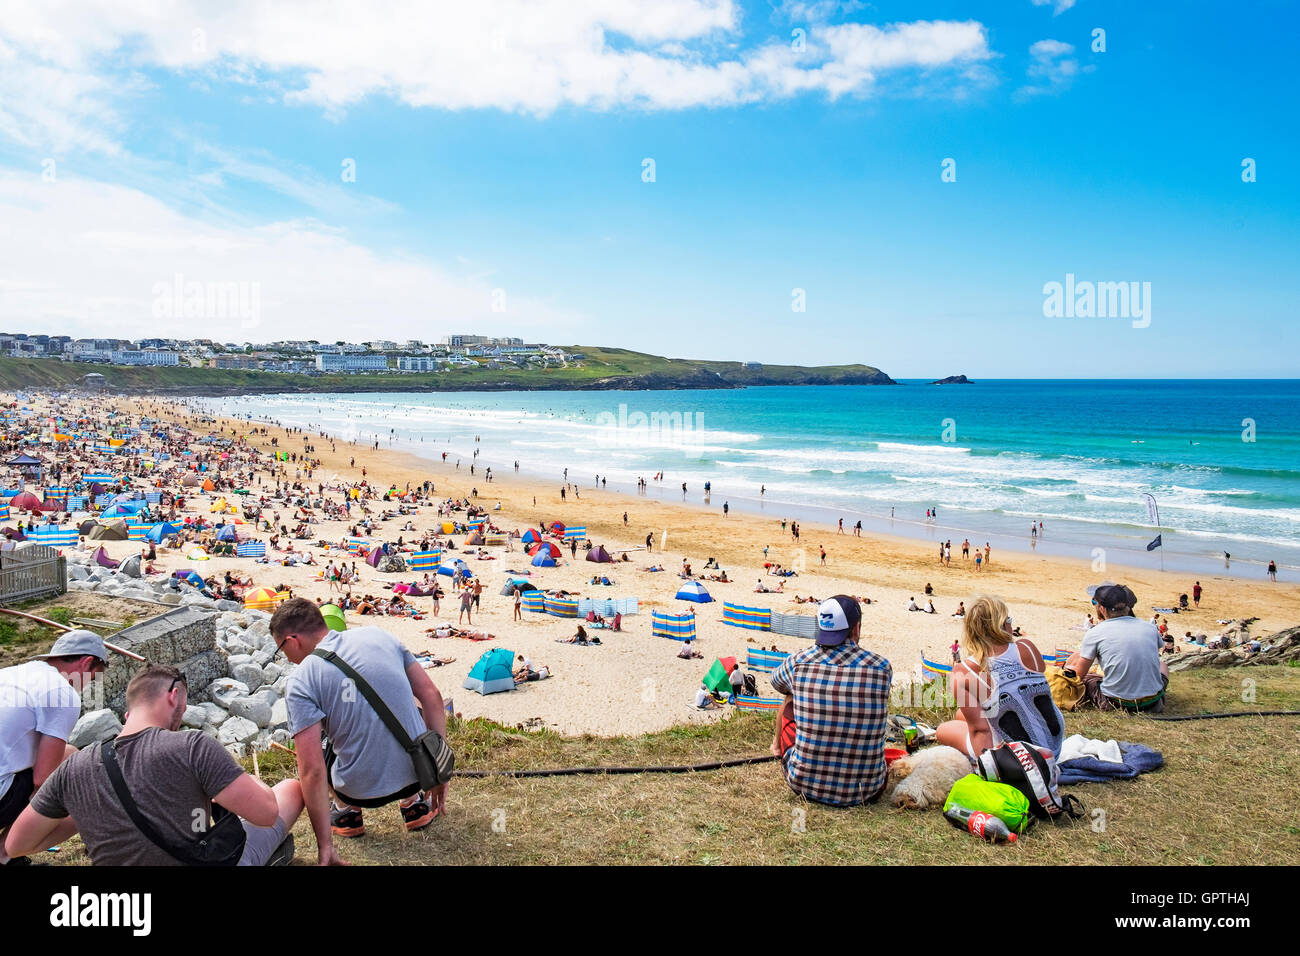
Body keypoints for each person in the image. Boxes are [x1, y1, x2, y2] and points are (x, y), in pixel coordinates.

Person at [4, 664, 302, 866]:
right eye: (183, 708)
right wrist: (250, 780)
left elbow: (15, 845)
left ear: (128, 714)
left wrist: (88, 814)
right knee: (290, 789)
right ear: (173, 697)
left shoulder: (73, 768)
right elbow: (265, 813)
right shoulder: (192, 746)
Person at [270, 598, 448, 865]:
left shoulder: (301, 679)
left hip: (357, 790)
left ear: (292, 640)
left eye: (281, 649)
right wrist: (439, 771)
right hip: (419, 775)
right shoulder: (378, 635)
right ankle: (414, 806)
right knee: (408, 711)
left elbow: (312, 771)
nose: (286, 657)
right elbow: (432, 696)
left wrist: (325, 846)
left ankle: (346, 812)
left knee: (321, 740)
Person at [768, 596, 892, 806]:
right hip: (868, 790)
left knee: (790, 697)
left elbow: (777, 683)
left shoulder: (799, 661)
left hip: (804, 784)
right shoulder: (881, 667)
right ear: (856, 628)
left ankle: (777, 748)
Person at [0, 631, 107, 865]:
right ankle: (5, 855)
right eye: (93, 678)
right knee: (81, 782)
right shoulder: (61, 692)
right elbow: (42, 780)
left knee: (68, 753)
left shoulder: (11, 673)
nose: (88, 685)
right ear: (87, 662)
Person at [936, 596, 1065, 760]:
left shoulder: (964, 671)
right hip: (1054, 744)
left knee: (944, 729)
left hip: (1023, 757)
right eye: (1008, 619)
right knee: (962, 714)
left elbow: (980, 730)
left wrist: (989, 765)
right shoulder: (1028, 647)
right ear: (1001, 625)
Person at [1066, 583, 1168, 712]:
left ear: (1102, 608)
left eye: (1094, 602)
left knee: (1085, 676)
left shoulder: (1095, 632)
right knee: (1163, 665)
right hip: (1153, 703)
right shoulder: (1149, 628)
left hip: (1116, 704)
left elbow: (1080, 674)